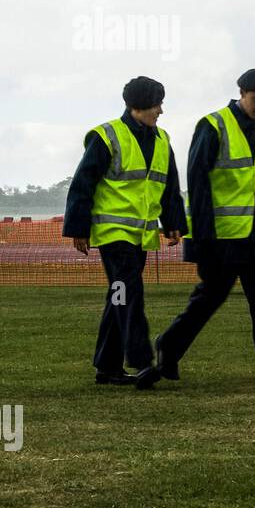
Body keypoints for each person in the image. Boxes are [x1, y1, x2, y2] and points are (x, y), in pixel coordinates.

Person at [138, 69, 255, 388]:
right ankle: (168, 347)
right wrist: (203, 240)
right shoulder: (212, 125)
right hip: (223, 236)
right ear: (241, 92)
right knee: (210, 298)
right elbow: (198, 186)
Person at [62, 76, 186, 385]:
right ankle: (143, 360)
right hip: (113, 233)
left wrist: (173, 224)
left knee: (119, 296)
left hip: (140, 234)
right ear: (138, 106)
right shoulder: (107, 136)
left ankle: (107, 366)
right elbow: (83, 183)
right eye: (157, 104)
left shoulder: (162, 140)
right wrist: (79, 227)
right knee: (128, 293)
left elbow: (170, 185)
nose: (161, 110)